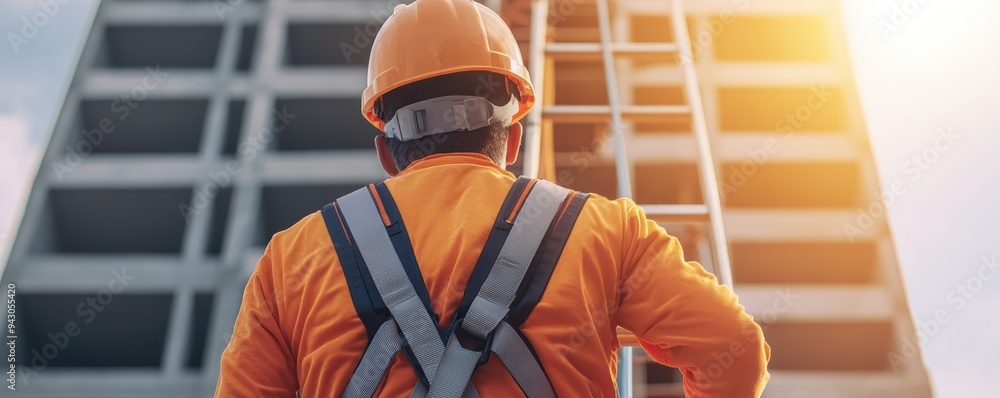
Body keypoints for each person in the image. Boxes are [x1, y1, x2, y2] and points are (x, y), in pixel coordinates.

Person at [215, 0, 769, 396]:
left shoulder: (291, 260)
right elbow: (735, 347)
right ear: (514, 138)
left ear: (387, 152)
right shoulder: (603, 230)